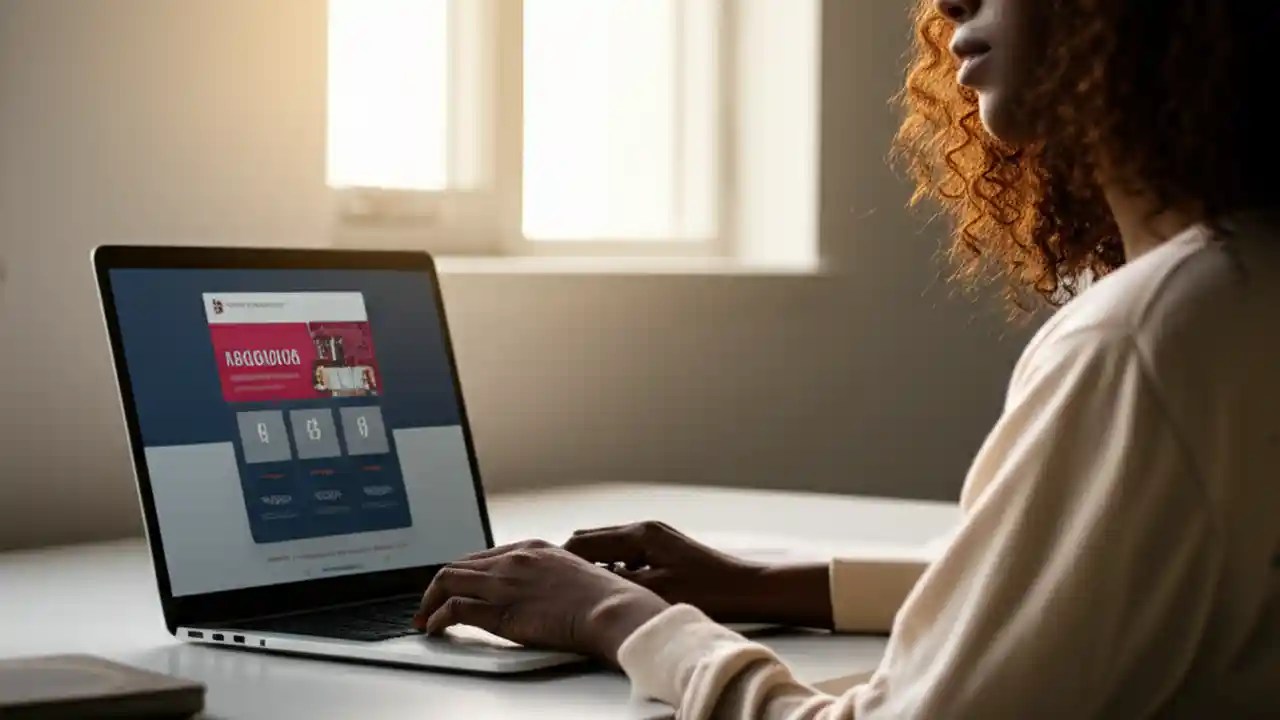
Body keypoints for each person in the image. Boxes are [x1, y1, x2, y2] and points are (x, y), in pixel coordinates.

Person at [413, 0, 1280, 716]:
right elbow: (1083, 588)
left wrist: (612, 615)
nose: (949, 6)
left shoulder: (1141, 339)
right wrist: (767, 585)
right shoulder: (1240, 288)